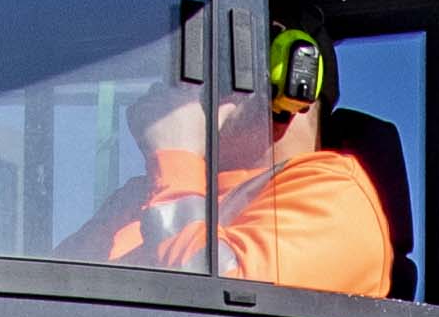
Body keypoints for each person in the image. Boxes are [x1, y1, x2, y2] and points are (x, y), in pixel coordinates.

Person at [65, 26, 395, 297]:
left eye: (216, 65)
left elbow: (218, 314)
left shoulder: (334, 196)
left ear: (294, 81)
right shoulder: (142, 196)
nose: (186, 89)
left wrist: (176, 158)